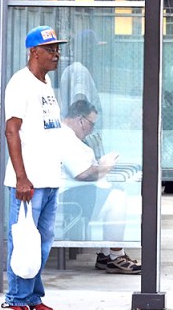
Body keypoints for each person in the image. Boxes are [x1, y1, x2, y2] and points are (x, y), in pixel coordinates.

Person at [1, 25, 69, 310]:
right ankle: (14, 303)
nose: (56, 53)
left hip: (49, 178)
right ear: (34, 52)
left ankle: (32, 300)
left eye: (57, 48)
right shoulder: (21, 83)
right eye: (50, 49)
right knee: (24, 241)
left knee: (41, 243)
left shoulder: (46, 83)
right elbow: (11, 130)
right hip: (29, 183)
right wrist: (21, 178)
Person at [58, 100, 142, 274]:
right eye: (91, 124)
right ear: (80, 120)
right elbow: (83, 174)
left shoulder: (68, 136)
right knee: (117, 199)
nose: (91, 129)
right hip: (69, 197)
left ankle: (106, 253)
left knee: (117, 191)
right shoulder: (65, 138)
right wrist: (105, 166)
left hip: (74, 192)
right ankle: (116, 256)